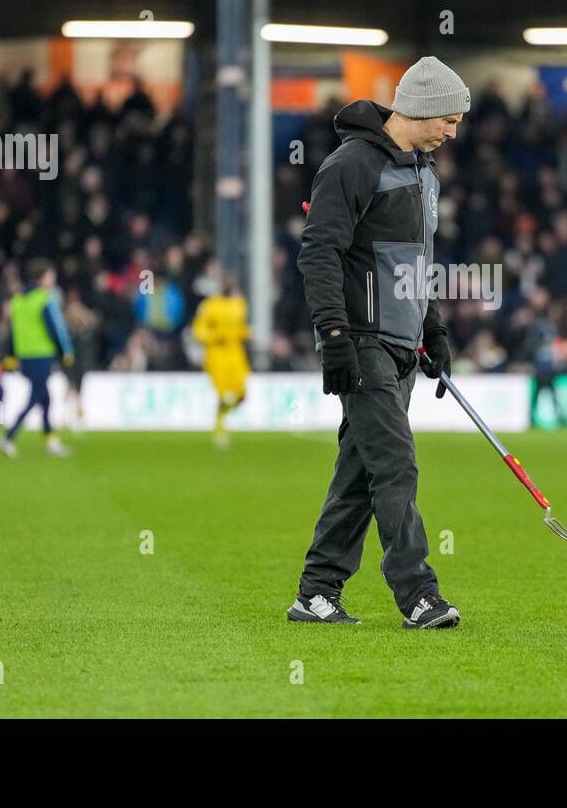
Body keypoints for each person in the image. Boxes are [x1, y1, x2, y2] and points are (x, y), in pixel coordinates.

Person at [288, 56, 467, 629]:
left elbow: (417, 263)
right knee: (396, 465)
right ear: (421, 107)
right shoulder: (352, 164)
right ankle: (419, 595)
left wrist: (432, 328)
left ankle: (316, 594)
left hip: (401, 343)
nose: (453, 132)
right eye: (449, 119)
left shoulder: (425, 171)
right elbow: (318, 251)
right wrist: (334, 336)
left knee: (362, 472)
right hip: (361, 340)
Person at [0, 259, 74, 458]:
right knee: (35, 397)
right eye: (50, 275)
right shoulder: (44, 299)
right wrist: (65, 352)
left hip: (24, 357)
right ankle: (9, 436)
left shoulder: (17, 300)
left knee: (45, 398)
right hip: (42, 355)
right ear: (43, 277)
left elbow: (13, 332)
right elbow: (55, 328)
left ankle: (51, 440)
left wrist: (11, 355)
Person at [191, 276, 251, 448]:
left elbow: (239, 327)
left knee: (242, 395)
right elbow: (198, 330)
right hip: (217, 354)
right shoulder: (209, 305)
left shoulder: (239, 305)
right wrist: (215, 337)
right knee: (223, 394)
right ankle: (220, 428)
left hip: (236, 354)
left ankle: (220, 417)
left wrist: (245, 333)